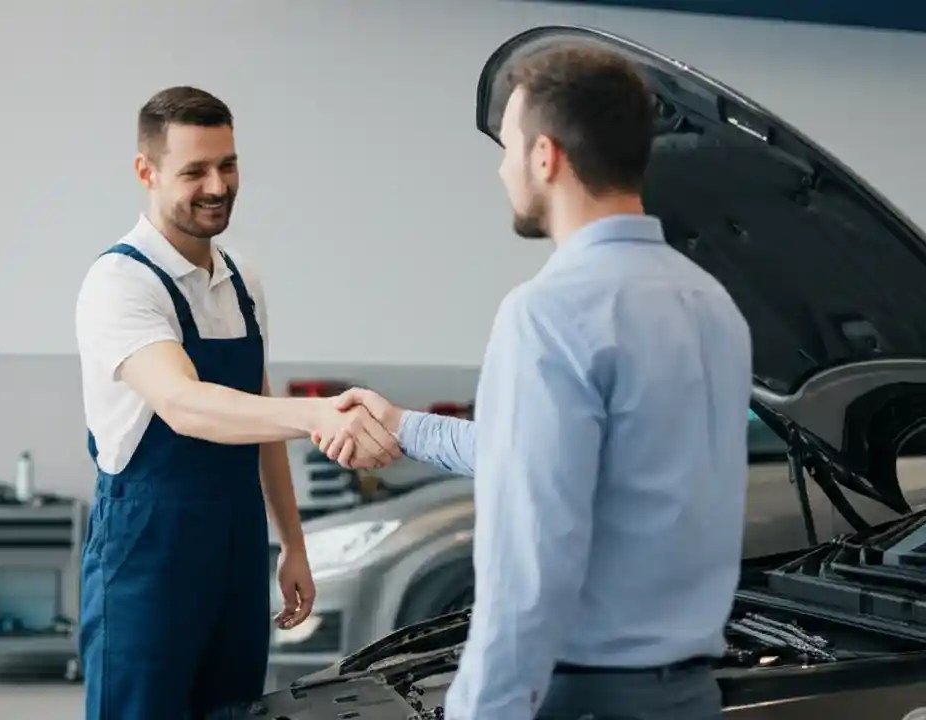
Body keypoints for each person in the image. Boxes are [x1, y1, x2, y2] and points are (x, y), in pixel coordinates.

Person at [316, 44, 752, 719]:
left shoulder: (549, 314)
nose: (501, 167)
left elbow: (528, 571)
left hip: (582, 696)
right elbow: (553, 456)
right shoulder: (714, 307)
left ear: (546, 157)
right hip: (692, 695)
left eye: (509, 146)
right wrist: (404, 425)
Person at [74, 85, 401, 720]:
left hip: (236, 547)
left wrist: (292, 543)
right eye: (194, 170)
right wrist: (316, 416)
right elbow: (186, 405)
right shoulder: (120, 282)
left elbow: (256, 413)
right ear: (146, 172)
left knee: (236, 712)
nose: (218, 185)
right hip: (148, 549)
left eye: (227, 164)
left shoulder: (241, 279)